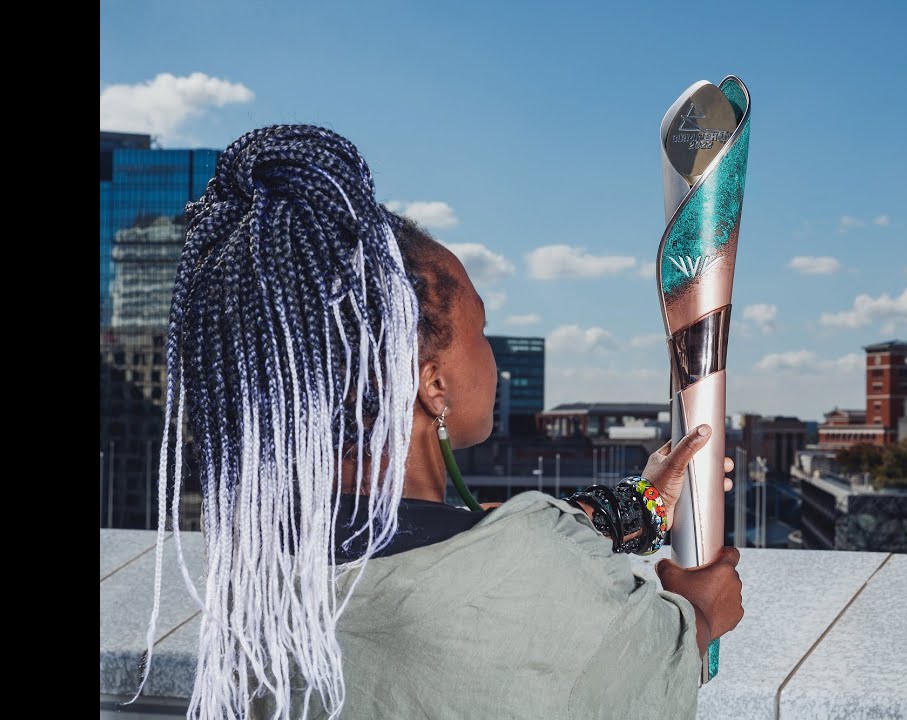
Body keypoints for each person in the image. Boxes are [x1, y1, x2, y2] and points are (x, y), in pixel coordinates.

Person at [134, 124, 744, 719]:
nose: (492, 356)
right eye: (477, 329)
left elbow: (458, 545)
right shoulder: (534, 586)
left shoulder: (264, 564)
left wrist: (645, 503)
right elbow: (629, 671)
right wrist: (698, 618)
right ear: (433, 382)